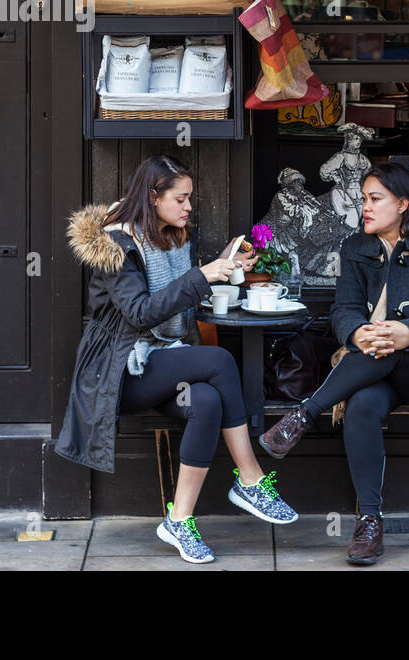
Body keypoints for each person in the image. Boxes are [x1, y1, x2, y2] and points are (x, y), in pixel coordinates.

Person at [57, 154, 299, 564]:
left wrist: (225, 269)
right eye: (181, 198)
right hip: (121, 369)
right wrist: (203, 276)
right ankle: (251, 477)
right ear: (154, 197)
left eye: (190, 199)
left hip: (165, 359)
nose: (189, 207)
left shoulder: (174, 237)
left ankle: (179, 520)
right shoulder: (119, 244)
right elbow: (140, 313)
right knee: (219, 362)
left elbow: (178, 307)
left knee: (205, 401)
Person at [258, 162, 409, 565]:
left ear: (404, 204)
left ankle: (303, 415)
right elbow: (344, 311)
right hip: (371, 366)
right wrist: (358, 334)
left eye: (375, 200)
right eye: (363, 200)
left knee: (384, 349)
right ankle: (369, 523)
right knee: (360, 408)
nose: (365, 208)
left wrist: (404, 334)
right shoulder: (356, 247)